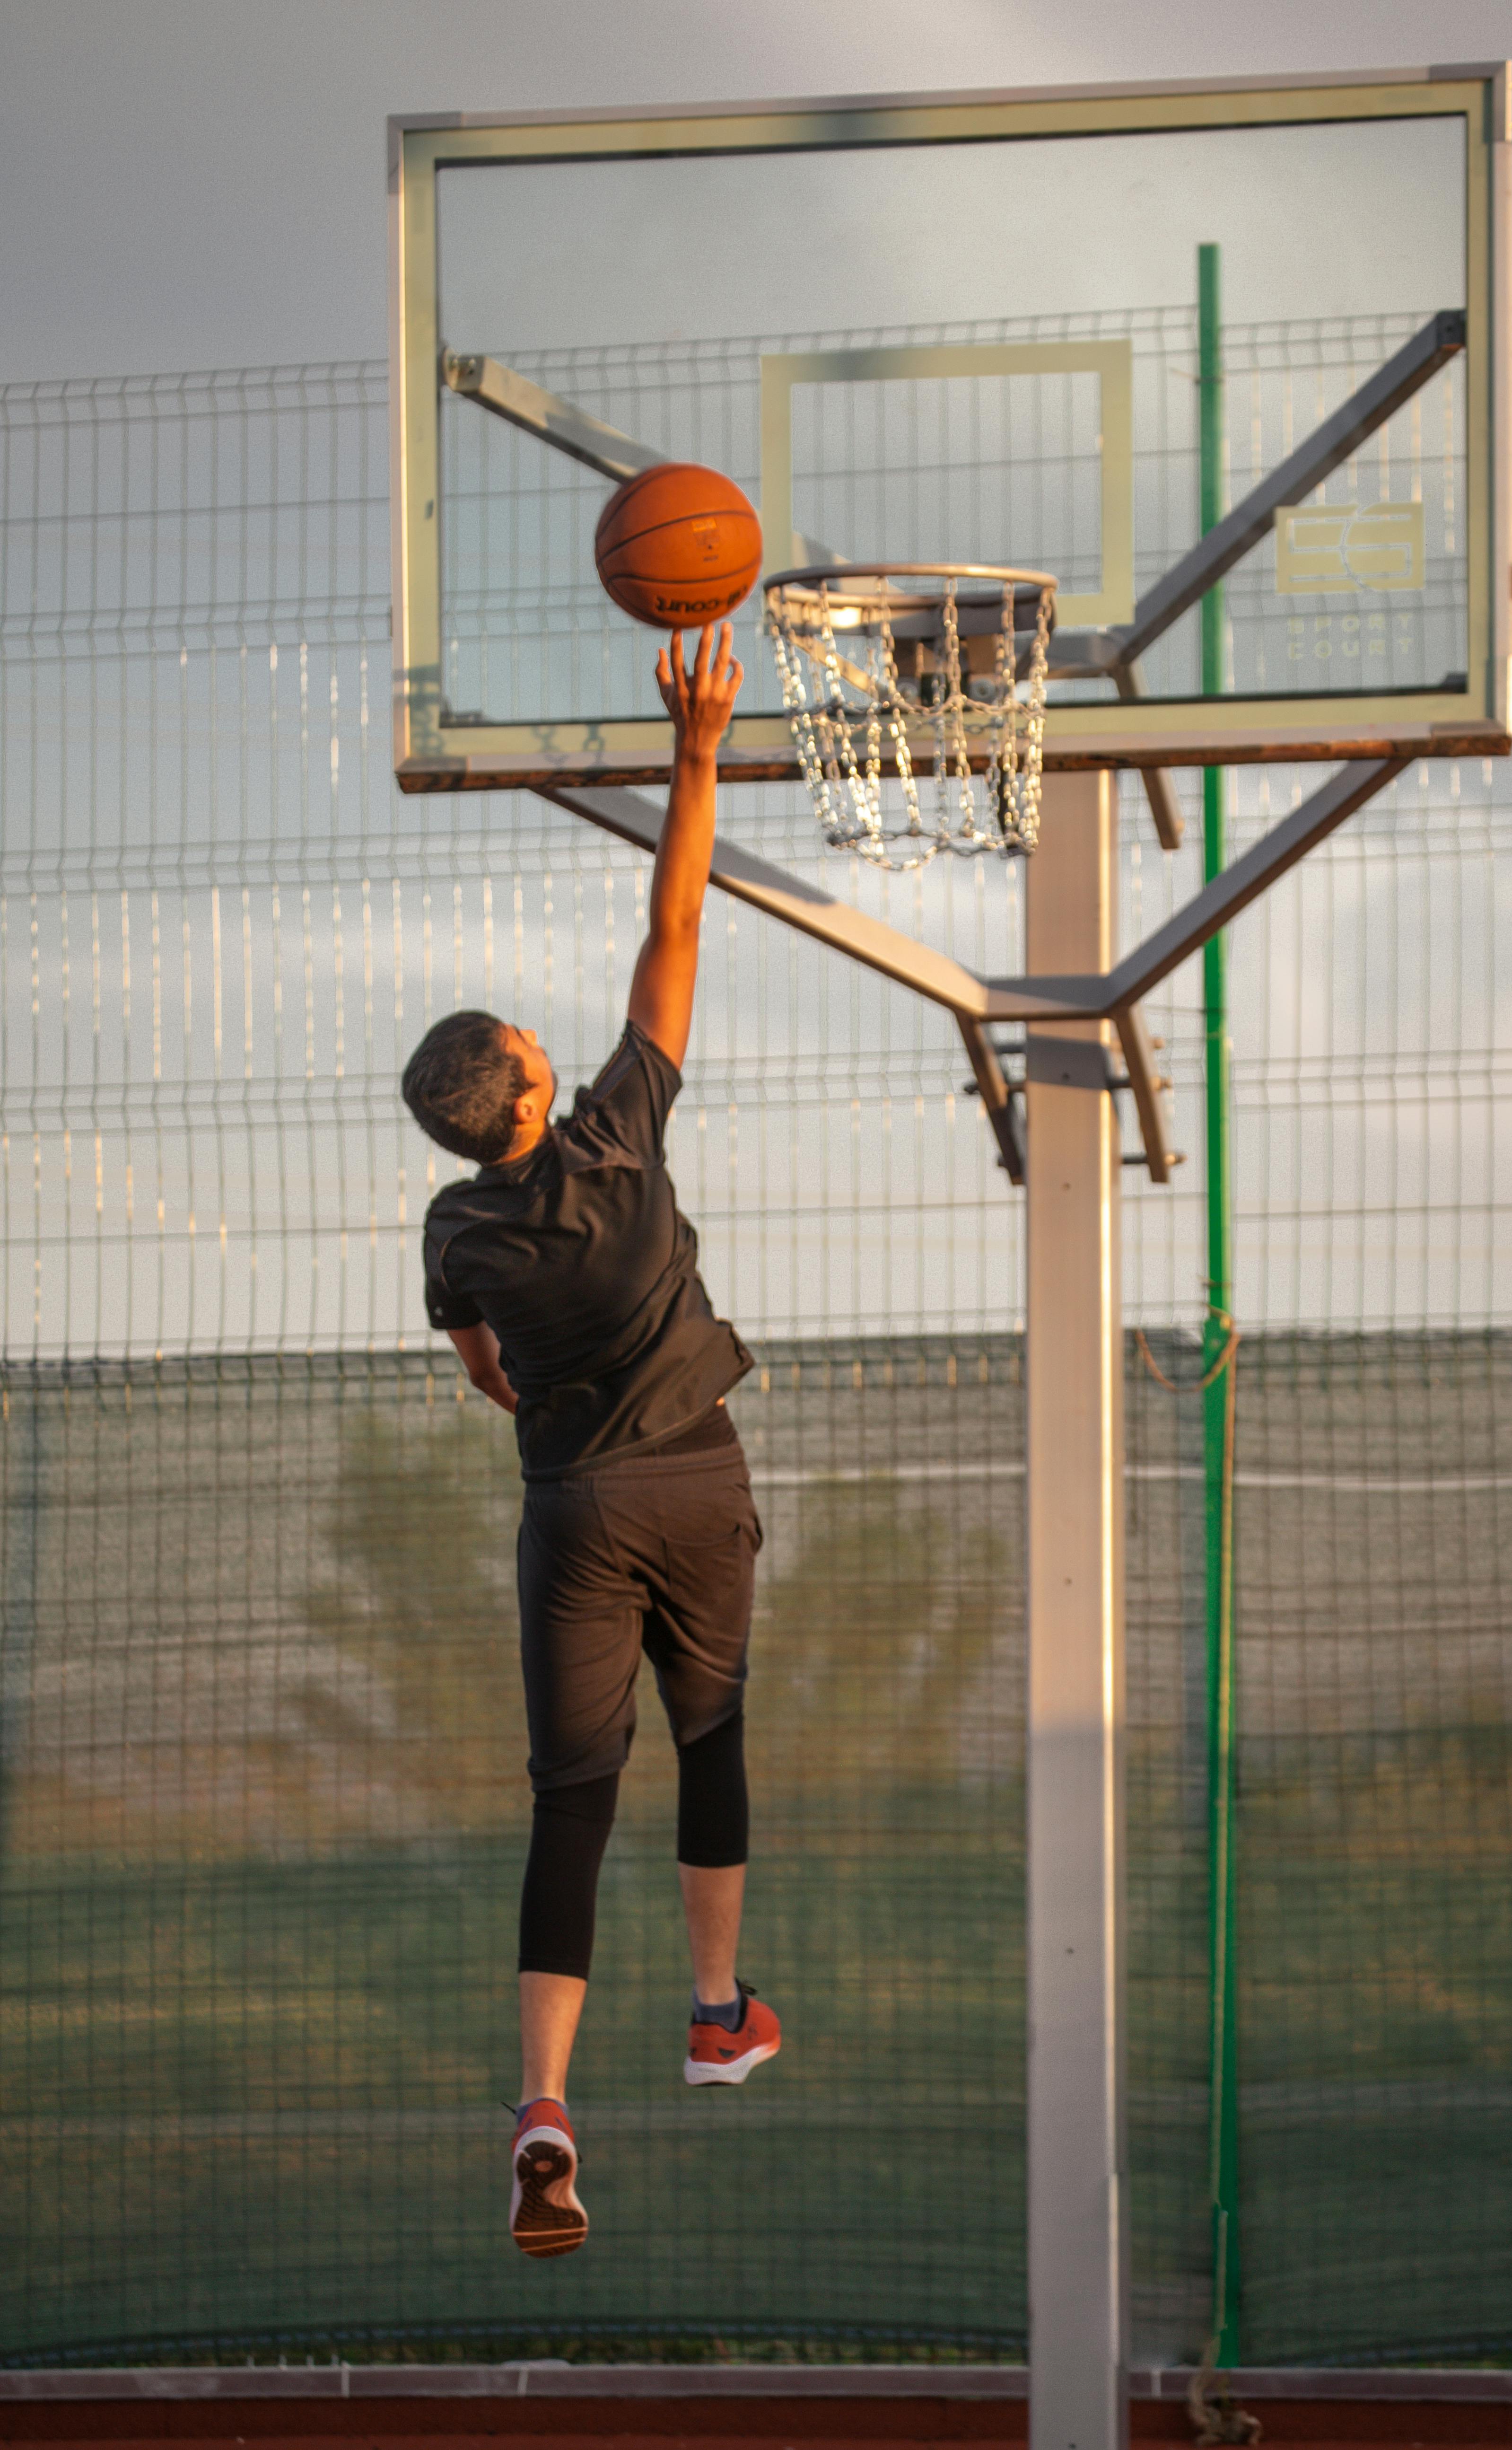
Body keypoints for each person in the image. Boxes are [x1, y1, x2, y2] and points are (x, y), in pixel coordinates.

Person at [399, 623, 779, 2261]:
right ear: (538, 1080)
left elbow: (486, 1371)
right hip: (696, 1477)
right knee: (711, 1738)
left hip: (572, 1505)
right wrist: (696, 742)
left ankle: (545, 2107)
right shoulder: (622, 1127)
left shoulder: (456, 1231)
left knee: (572, 1804)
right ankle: (713, 2012)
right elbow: (675, 914)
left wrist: (541, 1409)